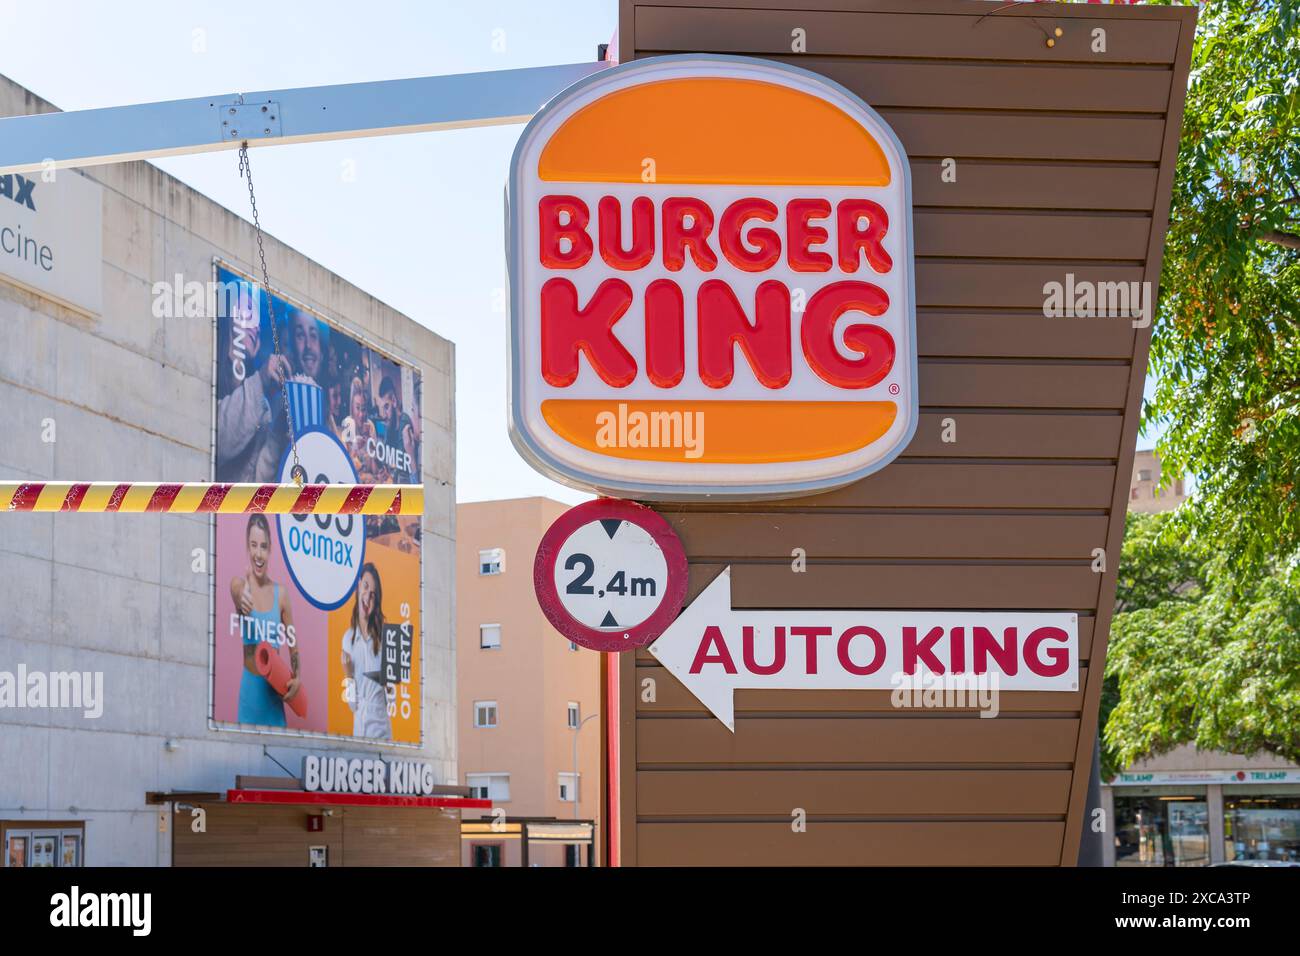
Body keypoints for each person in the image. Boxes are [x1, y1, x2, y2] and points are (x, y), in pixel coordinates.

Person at [215, 291, 292, 483]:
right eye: (248, 313)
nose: (256, 326)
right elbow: (217, 441)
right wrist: (261, 379)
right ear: (228, 317)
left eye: (257, 321)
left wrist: (277, 428)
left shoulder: (261, 403)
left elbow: (260, 478)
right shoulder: (208, 369)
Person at [230, 514, 299, 727]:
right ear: (247, 547)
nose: (258, 553)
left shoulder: (282, 594)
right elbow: (237, 591)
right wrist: (244, 595)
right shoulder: (239, 585)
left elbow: (292, 645)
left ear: (270, 550)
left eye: (263, 546)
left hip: (274, 697)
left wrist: (297, 678)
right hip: (249, 695)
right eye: (253, 545)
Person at [341, 563, 391, 740]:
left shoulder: (386, 637)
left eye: (373, 594)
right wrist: (348, 674)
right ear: (358, 585)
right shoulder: (348, 639)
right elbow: (352, 706)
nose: (367, 596)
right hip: (359, 731)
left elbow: (392, 703)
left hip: (381, 731)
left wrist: (389, 683)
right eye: (365, 586)